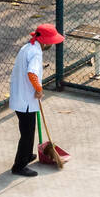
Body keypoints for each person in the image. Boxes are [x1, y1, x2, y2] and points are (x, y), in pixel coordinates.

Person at [8, 23, 63, 177]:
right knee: (27, 133)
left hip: (20, 95)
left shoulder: (27, 47)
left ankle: (26, 155)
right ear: (44, 41)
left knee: (26, 129)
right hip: (25, 99)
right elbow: (32, 73)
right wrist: (39, 89)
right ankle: (19, 165)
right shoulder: (36, 53)